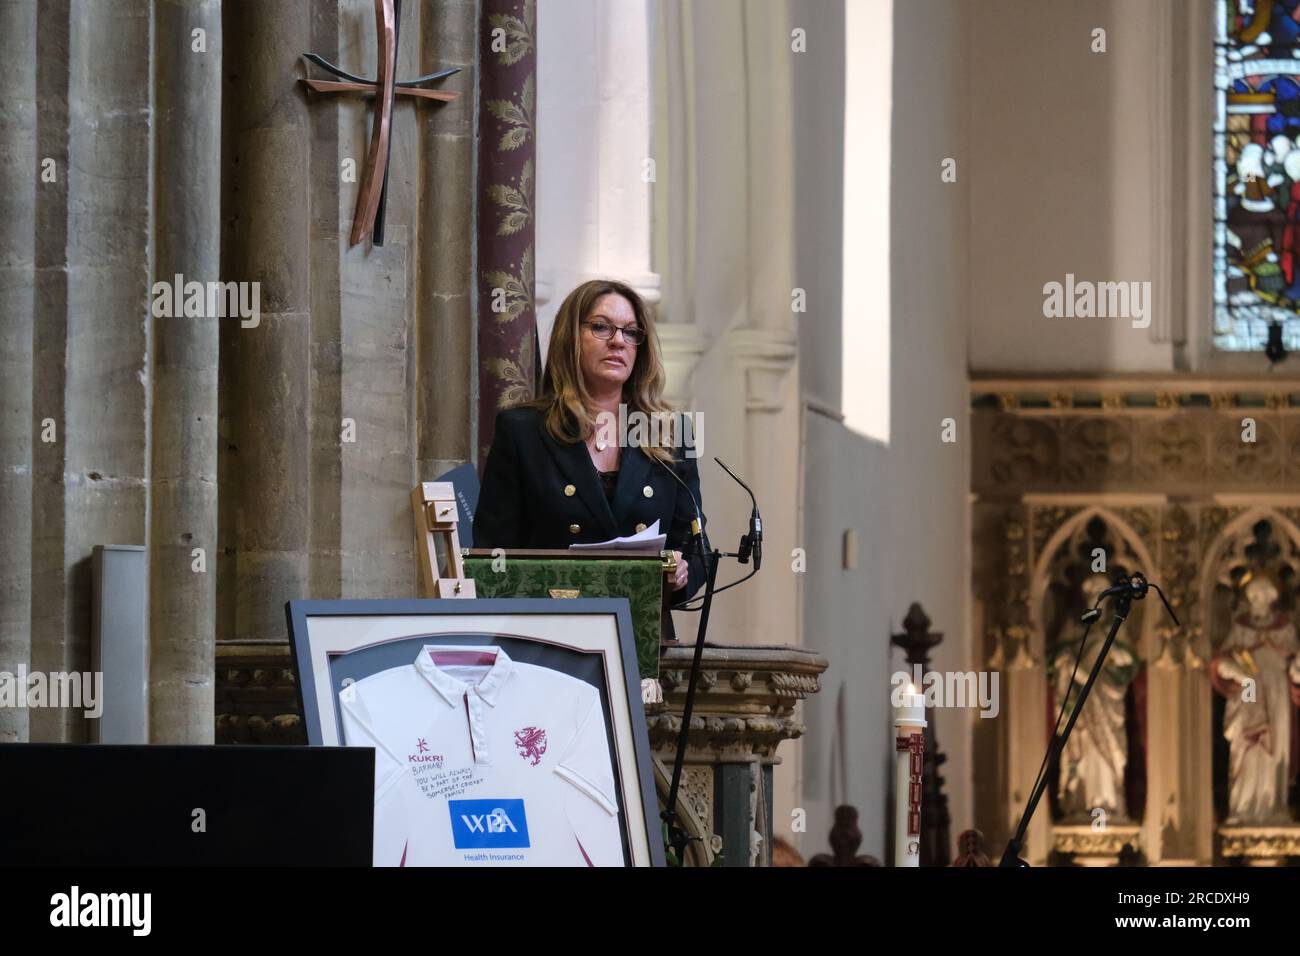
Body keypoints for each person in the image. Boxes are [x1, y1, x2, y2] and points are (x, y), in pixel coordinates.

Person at [474, 278, 707, 621]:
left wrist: (681, 575)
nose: (618, 341)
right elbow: (491, 552)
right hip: (545, 631)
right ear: (571, 338)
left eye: (631, 332)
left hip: (637, 633)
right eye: (601, 327)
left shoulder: (670, 433)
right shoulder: (523, 431)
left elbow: (698, 547)